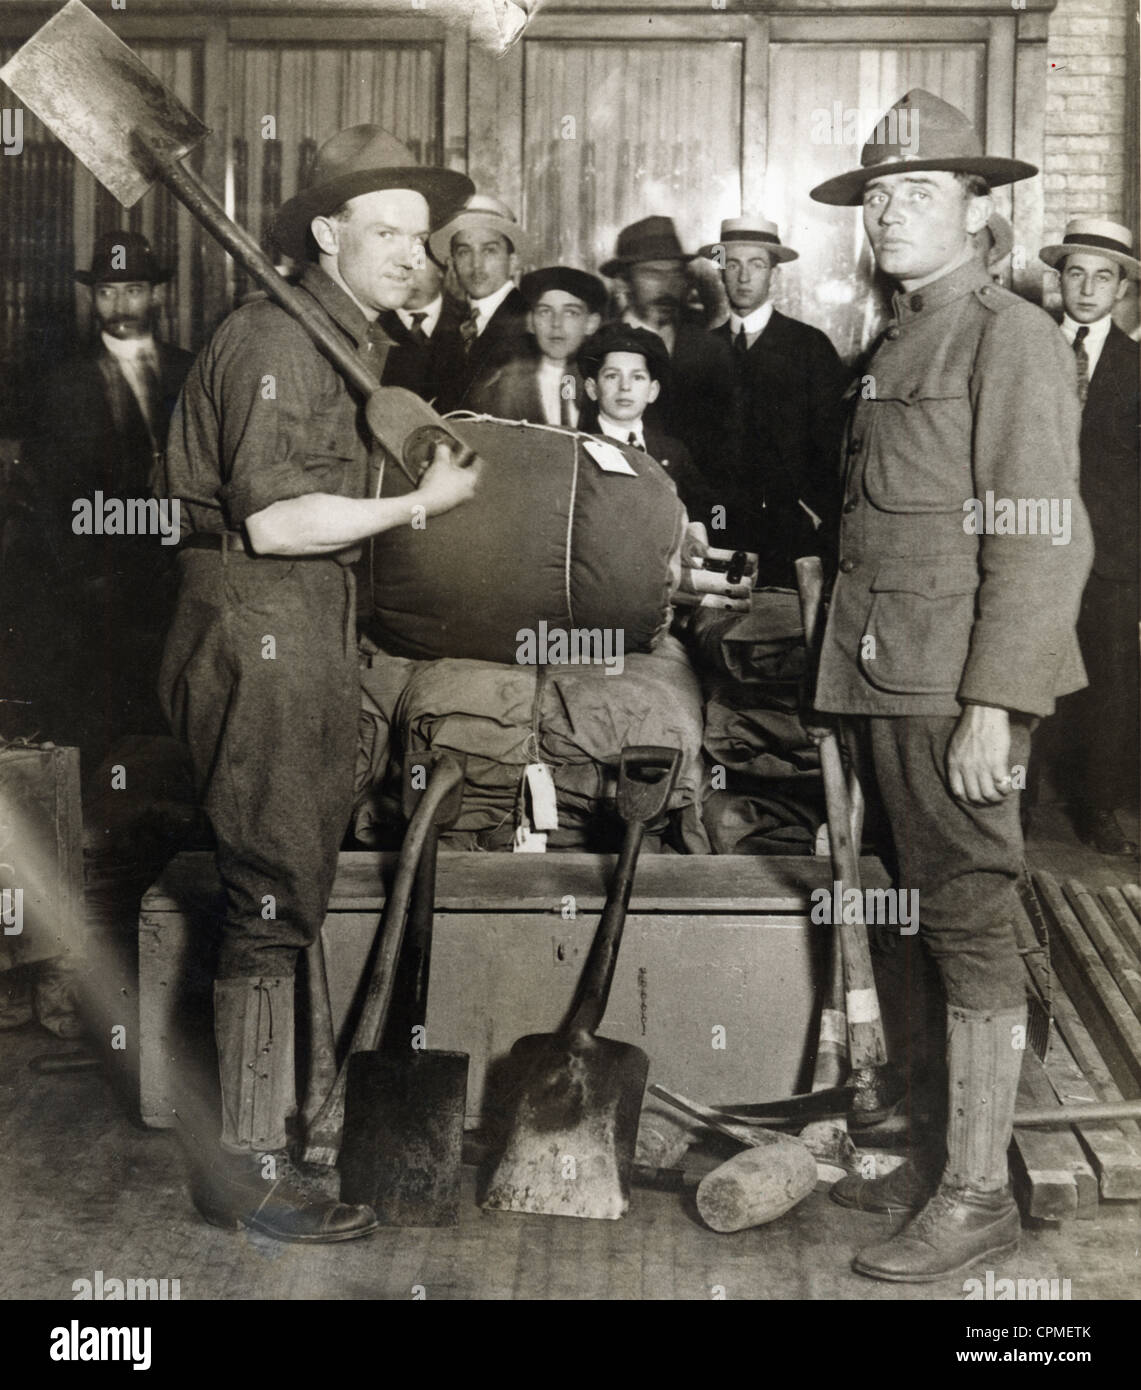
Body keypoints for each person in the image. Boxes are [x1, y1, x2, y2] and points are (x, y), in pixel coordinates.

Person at [158, 125, 479, 1243]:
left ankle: (264, 1133)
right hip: (261, 621)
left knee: (283, 873)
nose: (412, 253)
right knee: (267, 885)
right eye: (383, 230)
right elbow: (277, 519)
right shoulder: (276, 342)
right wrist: (417, 507)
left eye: (421, 235)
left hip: (298, 619)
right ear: (326, 234)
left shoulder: (339, 339)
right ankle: (245, 1169)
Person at [808, 89, 1092, 1282]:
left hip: (949, 693)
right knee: (930, 924)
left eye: (917, 191)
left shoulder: (1005, 335)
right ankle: (945, 1160)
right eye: (874, 193)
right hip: (887, 679)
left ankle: (977, 1195)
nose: (886, 212)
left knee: (972, 922)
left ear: (982, 210)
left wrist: (995, 703)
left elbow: (1040, 535)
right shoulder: (898, 335)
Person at [25, 231, 194, 772]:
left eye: (134, 290)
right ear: (91, 298)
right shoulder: (60, 382)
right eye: (106, 292)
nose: (120, 306)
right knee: (108, 718)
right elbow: (52, 496)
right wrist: (84, 576)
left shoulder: (191, 371)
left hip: (180, 570)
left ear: (158, 296)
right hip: (101, 582)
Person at [1039, 218, 1141, 856]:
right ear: (1059, 280)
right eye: (1075, 272)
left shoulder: (1139, 365)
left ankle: (1098, 807)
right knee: (1022, 671)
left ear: (1122, 289)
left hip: (1113, 556)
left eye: (1102, 277)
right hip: (1032, 544)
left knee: (1108, 682)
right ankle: (1013, 803)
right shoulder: (1025, 347)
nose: (1086, 288)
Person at [701, 215, 848, 584]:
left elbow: (836, 445)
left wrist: (813, 515)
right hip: (719, 536)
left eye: (757, 265)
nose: (744, 277)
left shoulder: (809, 347)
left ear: (775, 275)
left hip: (792, 538)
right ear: (719, 273)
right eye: (732, 265)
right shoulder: (700, 351)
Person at [600, 217, 739, 508]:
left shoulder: (712, 352)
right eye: (652, 273)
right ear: (624, 282)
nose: (667, 286)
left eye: (675, 275)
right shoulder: (596, 350)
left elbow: (727, 455)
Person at [578, 322, 711, 524]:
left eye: (638, 377)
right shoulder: (576, 450)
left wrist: (700, 527)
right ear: (592, 388)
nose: (625, 387)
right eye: (612, 376)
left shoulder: (674, 452)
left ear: (652, 391)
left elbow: (706, 509)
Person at [427, 193, 532, 410]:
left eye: (489, 250)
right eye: (464, 251)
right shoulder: (453, 324)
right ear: (452, 263)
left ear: (513, 262)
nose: (476, 264)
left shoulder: (530, 322)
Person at [469, 266, 605, 425]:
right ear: (530, 322)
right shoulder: (501, 391)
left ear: (591, 323)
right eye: (545, 311)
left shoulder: (604, 385)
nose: (556, 324)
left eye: (570, 313)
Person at [375, 245, 467, 406]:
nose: (407, 275)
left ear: (442, 269)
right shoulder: (373, 324)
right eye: (400, 265)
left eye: (417, 262)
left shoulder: (469, 321)